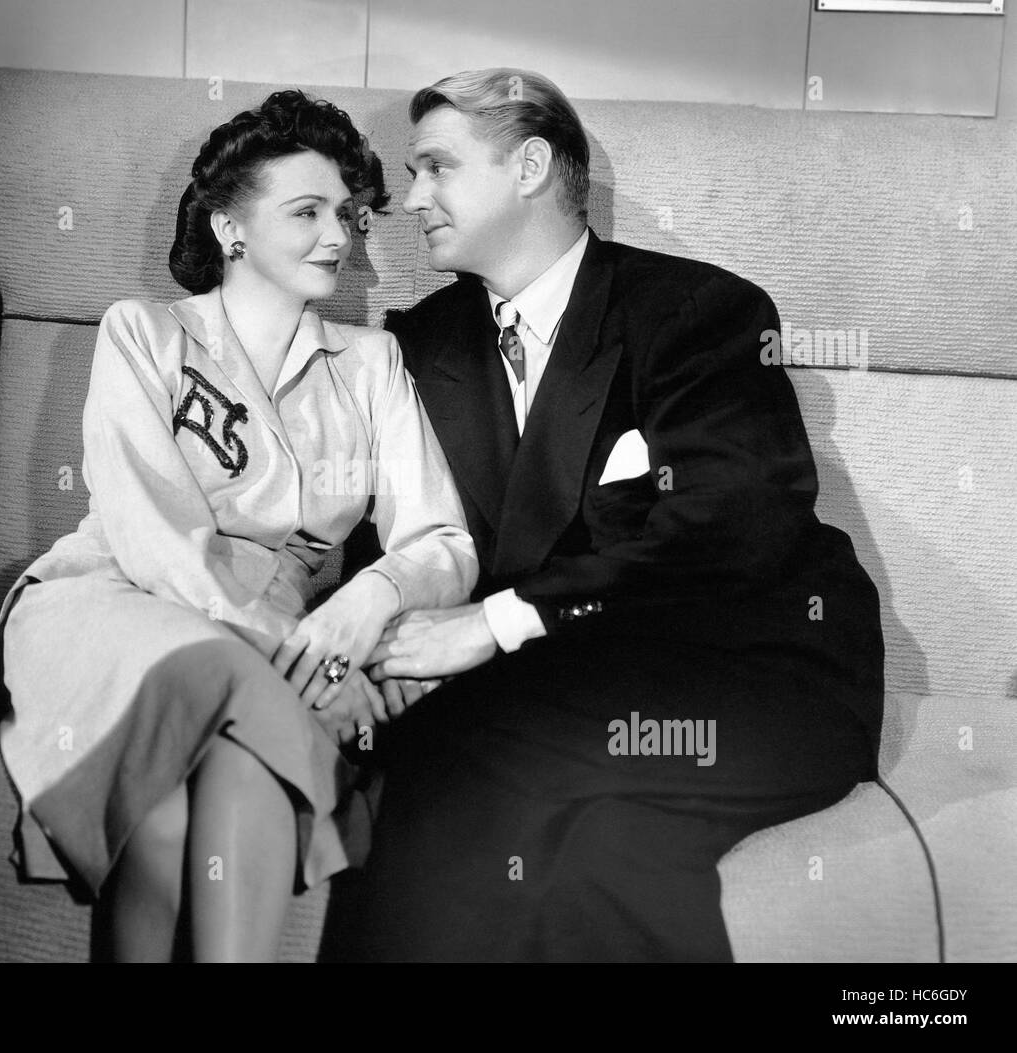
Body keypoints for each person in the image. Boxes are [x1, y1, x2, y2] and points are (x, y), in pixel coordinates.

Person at [338, 68, 886, 962]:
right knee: (610, 855)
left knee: (451, 745)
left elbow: (731, 526)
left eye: (436, 167)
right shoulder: (419, 345)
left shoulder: (702, 313)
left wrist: (492, 623)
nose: (410, 198)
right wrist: (370, 647)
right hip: (573, 684)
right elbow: (393, 530)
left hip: (751, 674)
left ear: (528, 166)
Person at [0, 89, 477, 963]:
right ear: (228, 226)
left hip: (276, 627)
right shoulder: (143, 334)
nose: (341, 236)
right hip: (114, 601)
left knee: (206, 788)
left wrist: (371, 597)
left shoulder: (370, 364)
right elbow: (153, 532)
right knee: (218, 674)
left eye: (351, 215)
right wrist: (293, 658)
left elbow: (443, 542)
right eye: (308, 212)